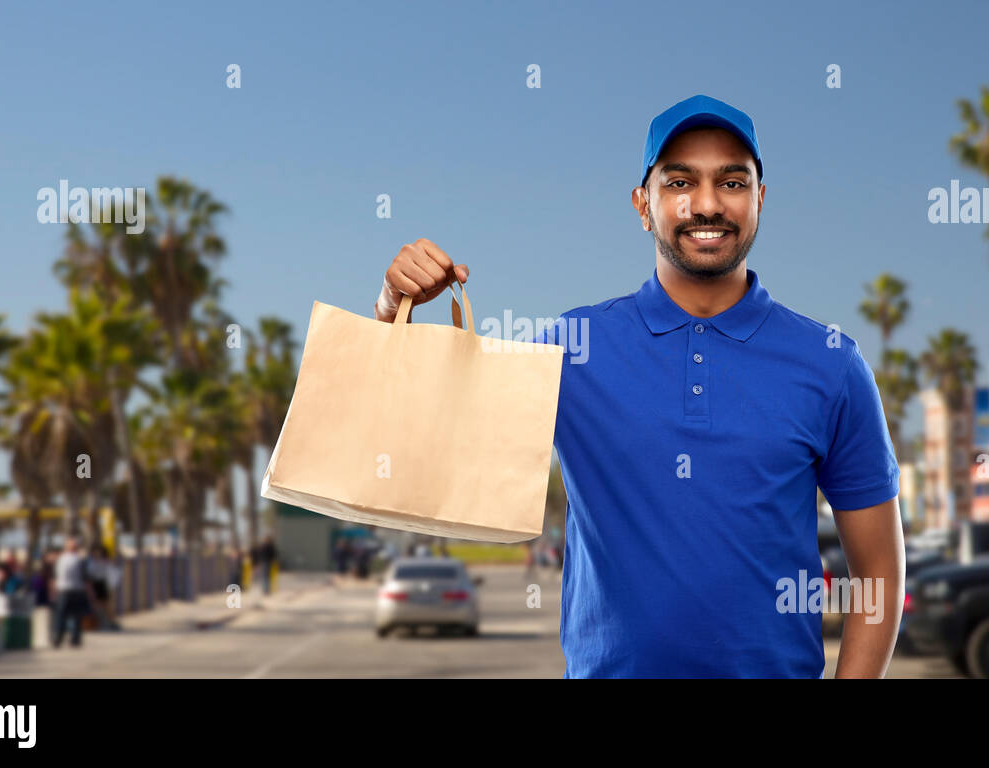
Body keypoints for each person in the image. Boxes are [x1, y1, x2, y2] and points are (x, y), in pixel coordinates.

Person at [371, 95, 904, 679]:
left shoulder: (830, 363)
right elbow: (430, 447)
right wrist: (392, 313)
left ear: (759, 200)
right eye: (679, 181)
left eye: (731, 181)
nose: (706, 204)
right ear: (643, 205)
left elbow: (878, 568)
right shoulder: (569, 347)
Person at [52, 536, 93, 648]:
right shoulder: (79, 560)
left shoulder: (60, 559)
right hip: (76, 590)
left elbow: (55, 576)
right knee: (76, 615)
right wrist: (89, 592)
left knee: (61, 616)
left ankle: (58, 638)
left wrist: (53, 591)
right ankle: (74, 639)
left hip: (63, 591)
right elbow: (86, 577)